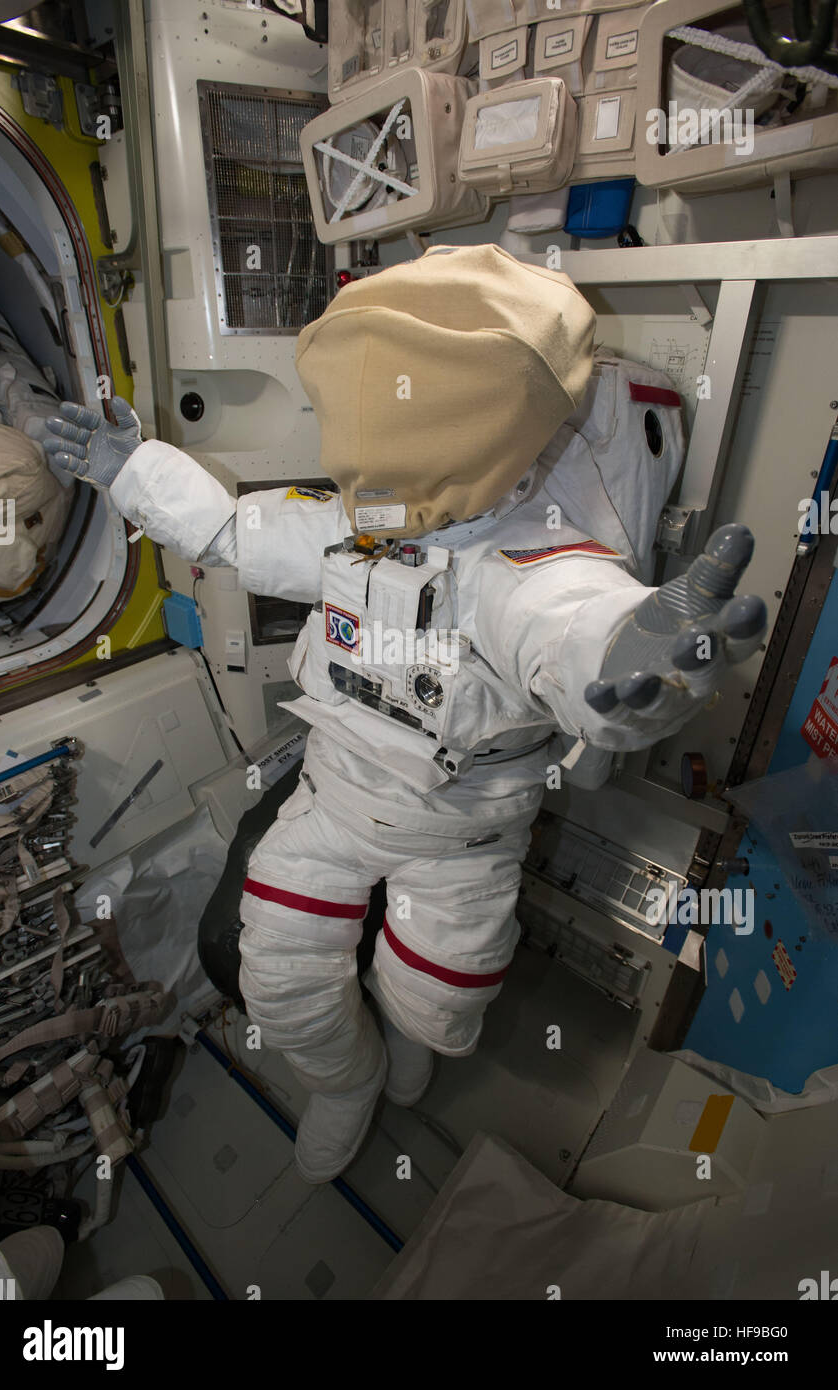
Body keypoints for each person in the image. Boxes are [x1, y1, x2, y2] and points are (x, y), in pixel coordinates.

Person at [43, 245, 766, 1183]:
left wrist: (638, 668)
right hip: (332, 802)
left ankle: (408, 1041)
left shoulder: (530, 566)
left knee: (438, 1007)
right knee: (281, 981)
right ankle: (348, 1082)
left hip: (458, 838)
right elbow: (229, 529)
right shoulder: (354, 526)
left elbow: (577, 639)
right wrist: (131, 465)